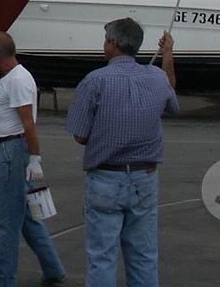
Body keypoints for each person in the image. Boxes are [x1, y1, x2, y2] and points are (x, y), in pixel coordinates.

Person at [64, 18, 177, 287]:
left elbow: (80, 134)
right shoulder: (156, 77)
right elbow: (171, 99)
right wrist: (168, 55)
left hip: (106, 176)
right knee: (143, 255)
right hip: (144, 177)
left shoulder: (95, 80)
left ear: (113, 44)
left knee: (102, 256)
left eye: (105, 40)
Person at [0, 31, 66, 287]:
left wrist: (34, 157)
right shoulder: (18, 77)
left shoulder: (16, 80)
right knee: (29, 218)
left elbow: (28, 123)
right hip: (14, 149)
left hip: (11, 151)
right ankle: (53, 269)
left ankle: (3, 280)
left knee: (6, 220)